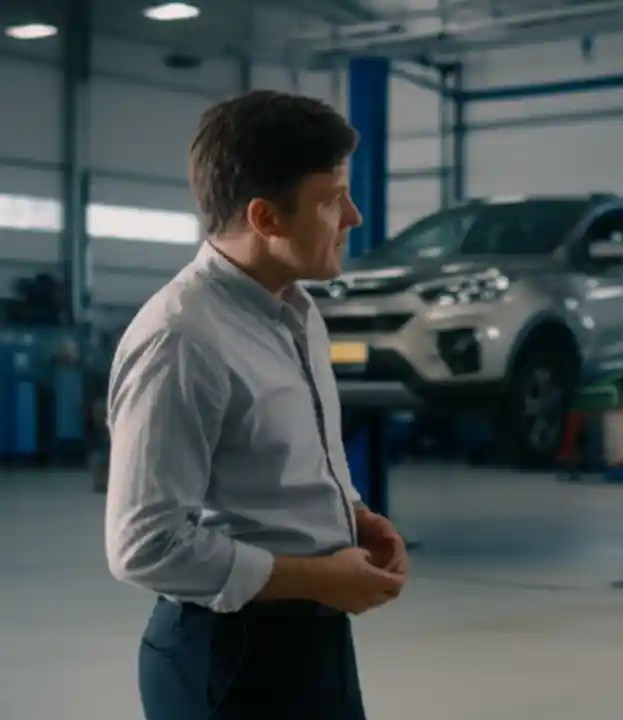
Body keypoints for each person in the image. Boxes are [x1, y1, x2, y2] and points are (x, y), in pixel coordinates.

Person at [104, 90, 409, 720]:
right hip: (229, 660)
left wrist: (352, 515)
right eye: (331, 200)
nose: (353, 216)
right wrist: (319, 578)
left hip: (312, 643)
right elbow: (144, 545)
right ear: (266, 218)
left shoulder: (295, 310)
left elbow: (284, 454)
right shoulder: (181, 339)